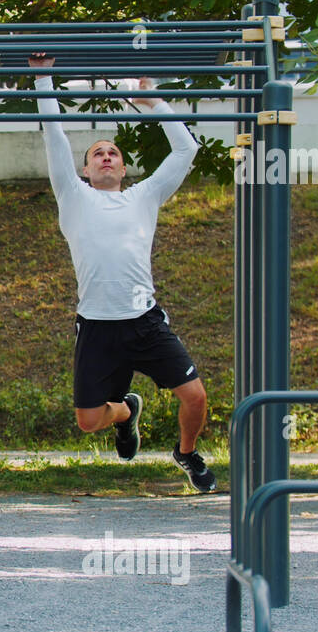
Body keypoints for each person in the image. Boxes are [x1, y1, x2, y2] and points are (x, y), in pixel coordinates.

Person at [30, 55, 216, 492]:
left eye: (114, 152)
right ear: (86, 169)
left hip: (145, 323)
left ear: (124, 168)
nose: (107, 157)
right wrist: (43, 75)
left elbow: (187, 149)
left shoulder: (145, 195)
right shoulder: (72, 196)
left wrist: (153, 100)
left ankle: (186, 453)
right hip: (97, 326)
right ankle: (127, 411)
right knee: (89, 421)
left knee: (195, 397)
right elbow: (54, 137)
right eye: (98, 153)